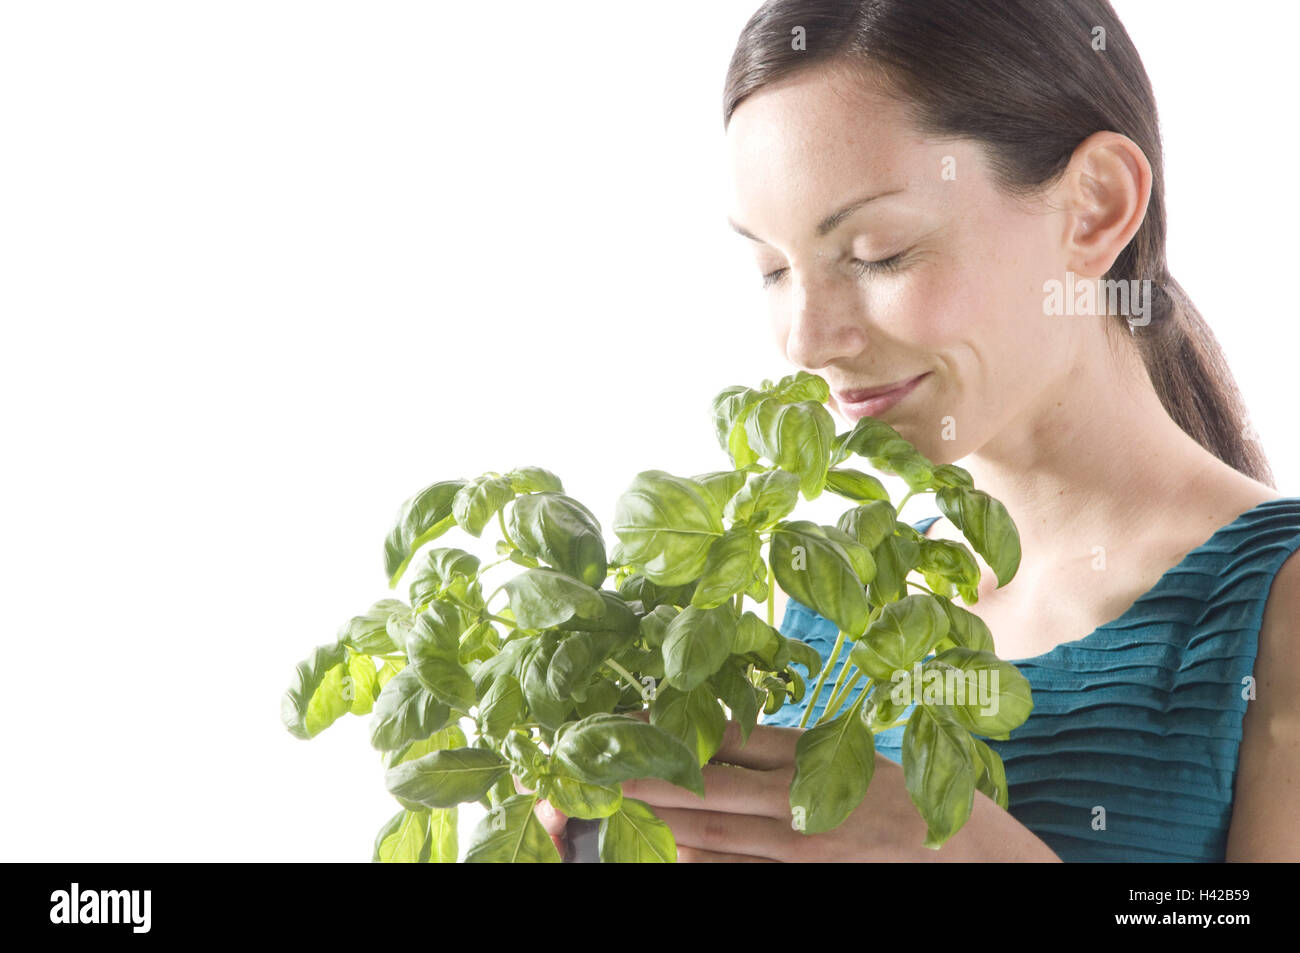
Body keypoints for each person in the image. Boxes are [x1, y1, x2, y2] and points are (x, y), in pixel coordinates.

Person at [539, 0, 1300, 861]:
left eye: (877, 253)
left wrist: (972, 850)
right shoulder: (822, 609)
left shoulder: (1276, 602)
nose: (806, 339)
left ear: (1093, 208)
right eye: (774, 269)